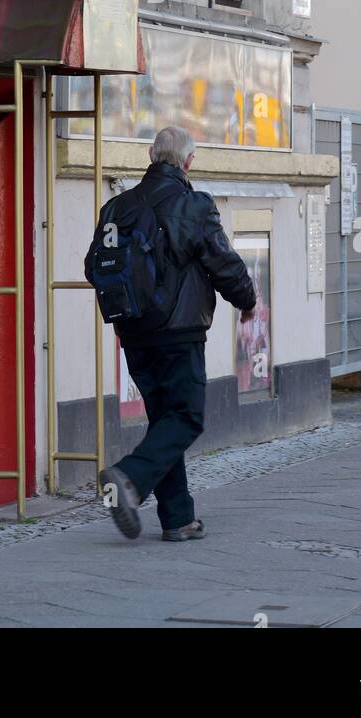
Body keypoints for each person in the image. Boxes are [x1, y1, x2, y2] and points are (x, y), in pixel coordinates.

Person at [93, 125, 256, 542]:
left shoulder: (116, 208)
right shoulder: (193, 205)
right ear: (188, 162)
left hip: (133, 331)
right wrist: (248, 301)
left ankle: (178, 517)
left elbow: (93, 268)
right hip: (178, 331)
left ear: (151, 155)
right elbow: (223, 262)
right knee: (186, 417)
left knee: (165, 420)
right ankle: (127, 479)